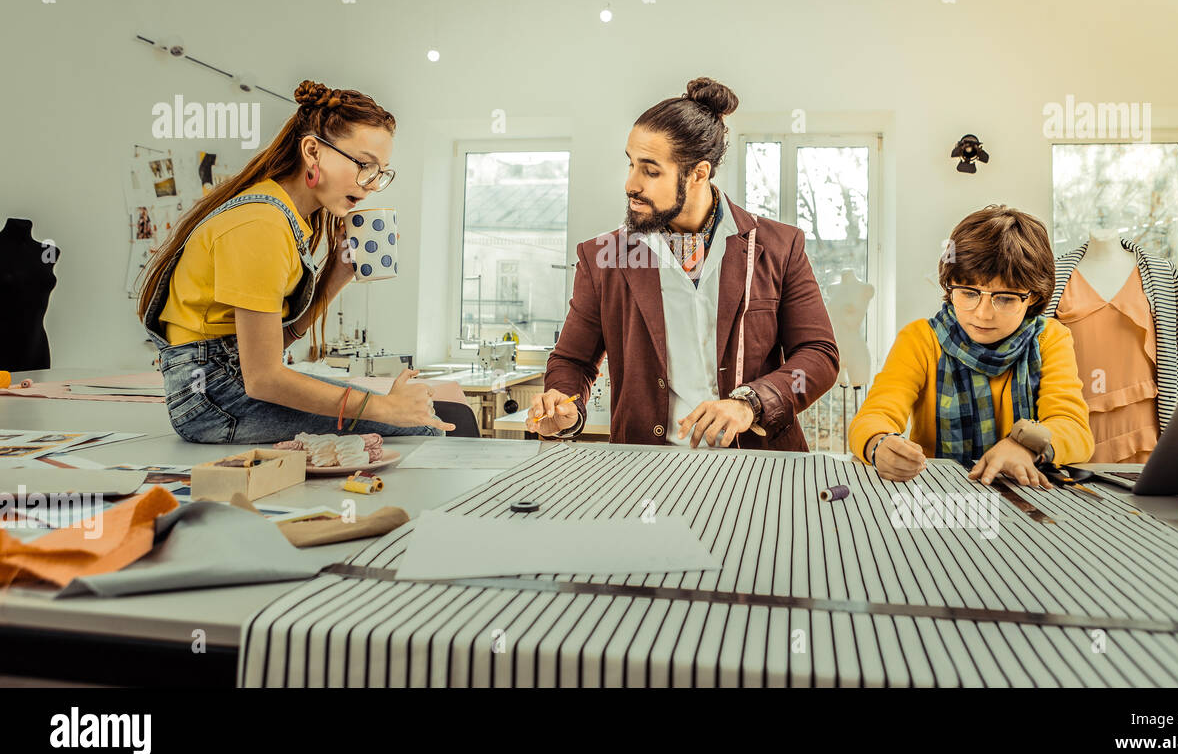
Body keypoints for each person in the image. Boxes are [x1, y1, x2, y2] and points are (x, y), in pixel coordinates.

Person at [528, 77, 839, 450]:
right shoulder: (602, 259)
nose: (631, 183)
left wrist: (752, 404)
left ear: (698, 173)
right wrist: (564, 406)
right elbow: (572, 361)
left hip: (759, 466)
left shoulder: (779, 247)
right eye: (630, 164)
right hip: (645, 473)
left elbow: (818, 359)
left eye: (651, 170)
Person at [136, 80, 455, 443]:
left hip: (221, 389)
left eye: (380, 173)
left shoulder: (283, 217)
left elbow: (274, 347)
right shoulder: (261, 224)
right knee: (419, 429)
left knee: (417, 419)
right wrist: (382, 408)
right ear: (312, 151)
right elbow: (264, 378)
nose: (370, 184)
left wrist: (338, 272)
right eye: (364, 165)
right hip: (212, 400)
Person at [847, 205, 1093, 486]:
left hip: (1026, 496)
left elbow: (1074, 429)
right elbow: (872, 416)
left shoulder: (1050, 338)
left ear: (1034, 298)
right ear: (949, 287)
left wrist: (1025, 444)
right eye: (968, 293)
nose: (983, 314)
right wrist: (879, 444)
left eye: (1006, 298)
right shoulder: (920, 339)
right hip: (936, 498)